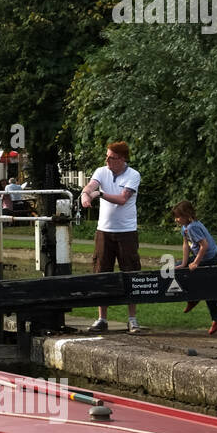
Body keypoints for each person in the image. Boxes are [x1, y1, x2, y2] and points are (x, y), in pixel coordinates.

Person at [80, 141, 142, 334]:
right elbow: (91, 185)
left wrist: (101, 194)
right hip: (104, 231)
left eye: (112, 158)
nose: (107, 160)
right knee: (101, 272)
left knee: (130, 272)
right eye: (106, 156)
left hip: (126, 232)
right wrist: (85, 195)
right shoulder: (101, 171)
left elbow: (123, 199)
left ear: (122, 159)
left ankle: (132, 319)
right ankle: (101, 318)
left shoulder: (133, 175)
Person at [173, 200, 217, 335]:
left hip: (210, 258)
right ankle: (193, 298)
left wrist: (195, 263)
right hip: (201, 256)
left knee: (206, 286)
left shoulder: (192, 227)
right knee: (176, 269)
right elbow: (186, 245)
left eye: (179, 216)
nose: (176, 219)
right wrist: (184, 264)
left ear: (187, 215)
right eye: (176, 216)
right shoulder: (185, 228)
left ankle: (215, 317)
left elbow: (204, 245)